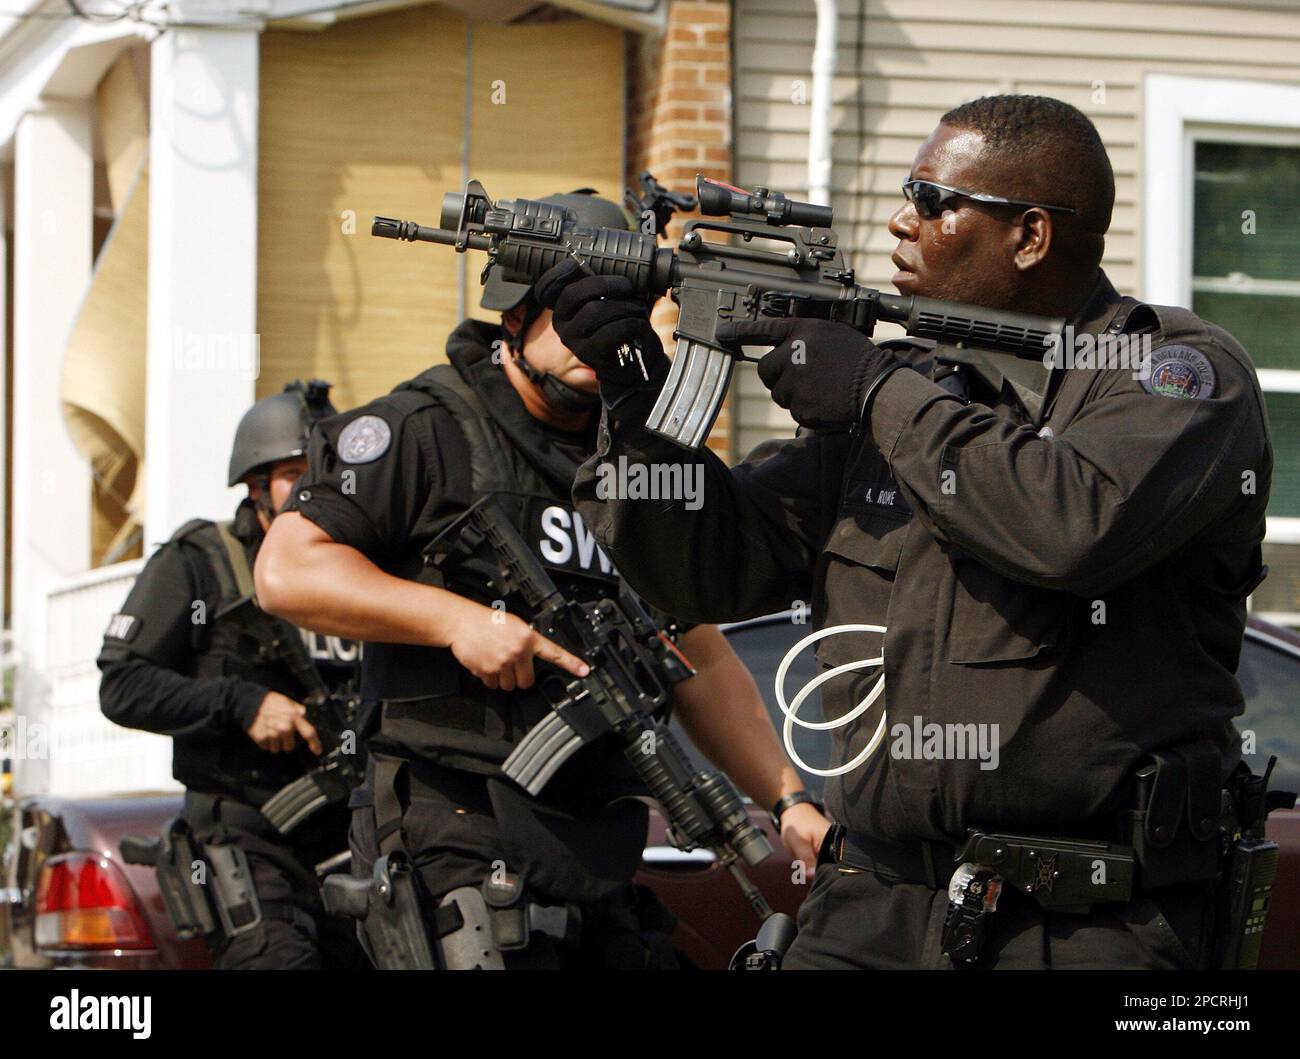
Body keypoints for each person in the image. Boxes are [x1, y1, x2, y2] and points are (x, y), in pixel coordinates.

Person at [539, 96, 1274, 969]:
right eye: (905, 193)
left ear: (1030, 235)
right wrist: (634, 395)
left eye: (933, 200)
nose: (900, 220)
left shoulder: (1174, 374)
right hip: (871, 908)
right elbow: (708, 571)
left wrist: (875, 391)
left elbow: (1072, 521)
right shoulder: (909, 397)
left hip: (1088, 925)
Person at [254, 191, 830, 969]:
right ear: (517, 315)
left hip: (591, 837)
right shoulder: (427, 428)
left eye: (618, 314)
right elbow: (289, 568)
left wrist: (788, 799)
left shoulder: (636, 461)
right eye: (577, 311)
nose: (600, 336)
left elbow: (701, 652)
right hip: (452, 825)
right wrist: (455, 620)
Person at [100, 380, 365, 969]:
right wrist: (240, 703)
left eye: (327, 470)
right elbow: (122, 686)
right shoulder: (204, 562)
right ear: (256, 486)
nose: (314, 488)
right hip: (249, 842)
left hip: (355, 845)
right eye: (296, 473)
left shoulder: (362, 574)